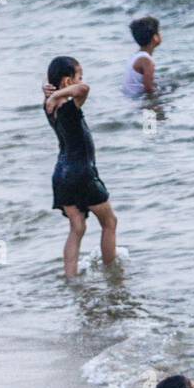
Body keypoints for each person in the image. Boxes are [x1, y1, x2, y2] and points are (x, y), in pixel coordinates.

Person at [43, 55, 119, 274]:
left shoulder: (48, 105)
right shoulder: (69, 105)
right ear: (67, 82)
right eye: (79, 76)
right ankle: (112, 275)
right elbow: (84, 89)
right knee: (110, 222)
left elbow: (66, 85)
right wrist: (59, 92)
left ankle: (71, 278)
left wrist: (51, 92)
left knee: (77, 228)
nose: (82, 80)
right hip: (82, 173)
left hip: (61, 175)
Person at [122, 16, 159, 99]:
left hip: (131, 98)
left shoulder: (136, 56)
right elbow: (149, 89)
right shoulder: (146, 60)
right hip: (138, 100)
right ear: (155, 37)